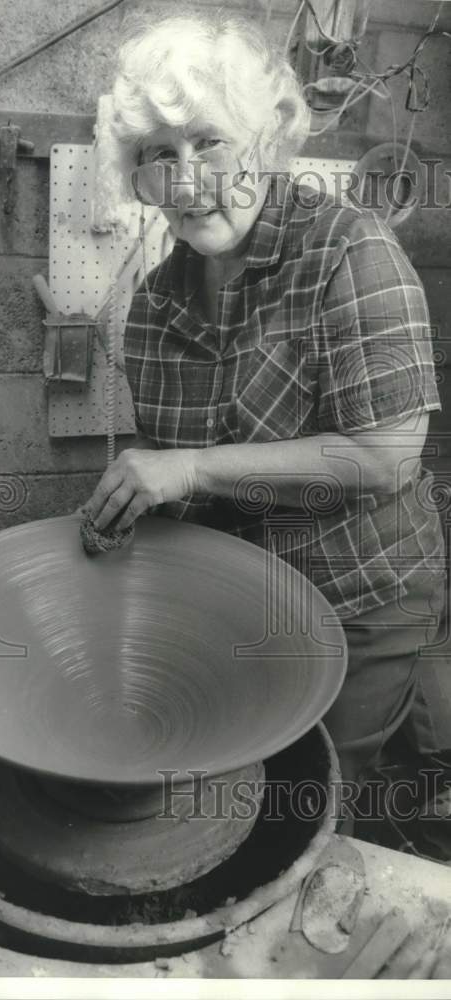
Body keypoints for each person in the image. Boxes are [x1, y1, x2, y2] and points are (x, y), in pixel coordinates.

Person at [83, 10, 449, 831]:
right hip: (243, 600)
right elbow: (171, 455)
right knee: (216, 790)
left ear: (266, 138)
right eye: (155, 158)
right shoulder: (153, 306)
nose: (184, 182)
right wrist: (135, 494)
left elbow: (387, 456)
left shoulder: (350, 251)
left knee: (308, 803)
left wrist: (189, 468)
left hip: (362, 597)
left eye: (209, 142)